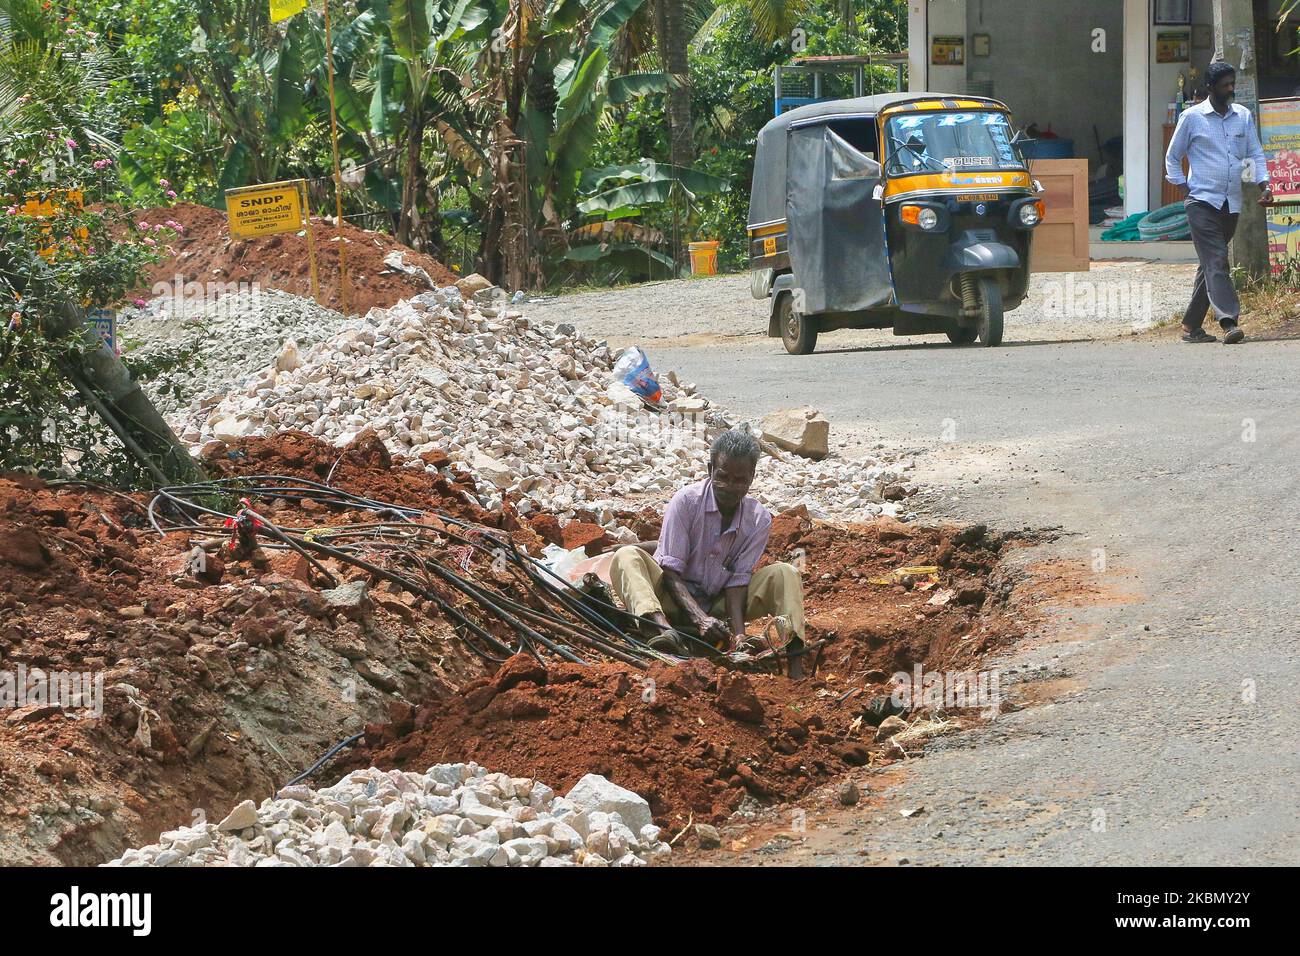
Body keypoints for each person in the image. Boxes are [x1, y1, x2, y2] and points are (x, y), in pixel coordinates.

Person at [608, 428, 805, 661]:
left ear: (752, 477)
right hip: (668, 599)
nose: (730, 486)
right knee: (626, 555)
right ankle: (663, 631)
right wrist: (699, 619)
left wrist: (740, 637)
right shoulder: (686, 502)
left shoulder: (758, 519)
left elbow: (737, 583)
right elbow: (670, 571)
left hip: (717, 606)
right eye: (723, 477)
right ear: (710, 470)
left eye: (740, 480)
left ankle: (795, 657)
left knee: (786, 572)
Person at [1165, 60, 1272, 345]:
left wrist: (1263, 185)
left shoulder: (1243, 116)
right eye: (1225, 85)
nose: (1231, 89)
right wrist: (1185, 189)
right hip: (1201, 201)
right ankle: (1229, 321)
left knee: (1209, 264)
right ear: (1210, 87)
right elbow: (1172, 158)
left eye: (1232, 83)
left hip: (1231, 202)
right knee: (1217, 260)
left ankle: (1190, 326)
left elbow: (1253, 154)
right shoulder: (1192, 117)